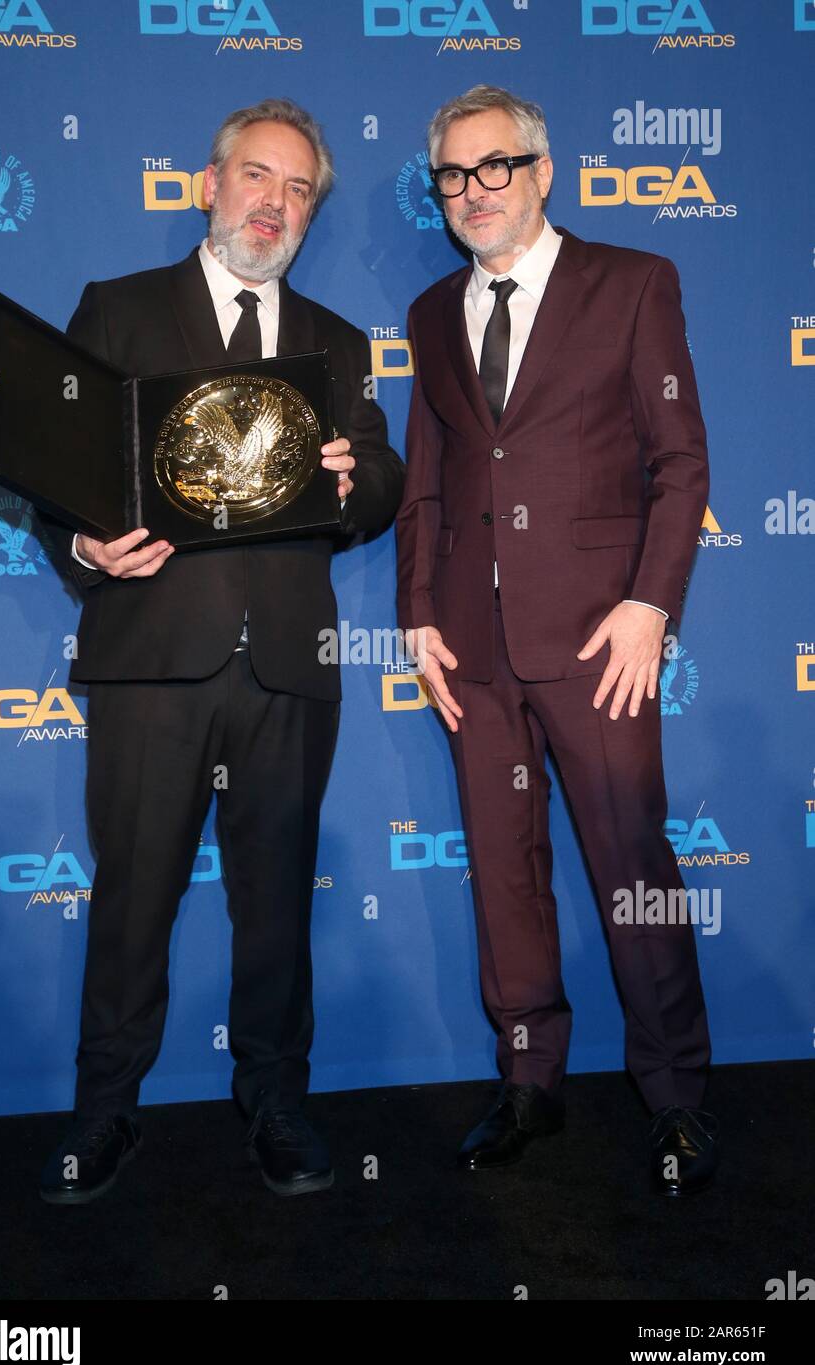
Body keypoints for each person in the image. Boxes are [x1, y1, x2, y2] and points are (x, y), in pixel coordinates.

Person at [38, 98, 404, 1203]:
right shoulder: (119, 309)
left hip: (287, 667)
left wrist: (354, 483)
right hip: (154, 658)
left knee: (277, 901)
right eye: (257, 176)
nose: (274, 203)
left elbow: (383, 480)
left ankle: (276, 1103)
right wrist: (87, 542)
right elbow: (49, 466)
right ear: (208, 183)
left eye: (298, 190)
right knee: (134, 896)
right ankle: (104, 1113)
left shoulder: (336, 341)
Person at [396, 85, 717, 1196]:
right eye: (452, 174)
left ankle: (675, 1098)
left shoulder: (631, 283)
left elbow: (681, 462)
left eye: (495, 168)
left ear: (542, 172)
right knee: (502, 872)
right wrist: (415, 617)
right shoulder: (432, 313)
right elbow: (426, 486)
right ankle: (529, 1076)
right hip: (472, 653)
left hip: (599, 643)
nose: (473, 191)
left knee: (634, 868)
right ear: (436, 191)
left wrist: (648, 604)